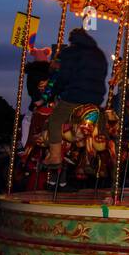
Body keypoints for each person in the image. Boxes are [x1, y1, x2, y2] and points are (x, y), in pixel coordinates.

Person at [46, 28, 108, 175]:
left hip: (75, 96)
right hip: (96, 98)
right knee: (101, 120)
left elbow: (63, 77)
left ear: (72, 40)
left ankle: (55, 156)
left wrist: (52, 94)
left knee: (55, 119)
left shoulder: (70, 53)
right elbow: (104, 74)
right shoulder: (99, 53)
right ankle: (99, 149)